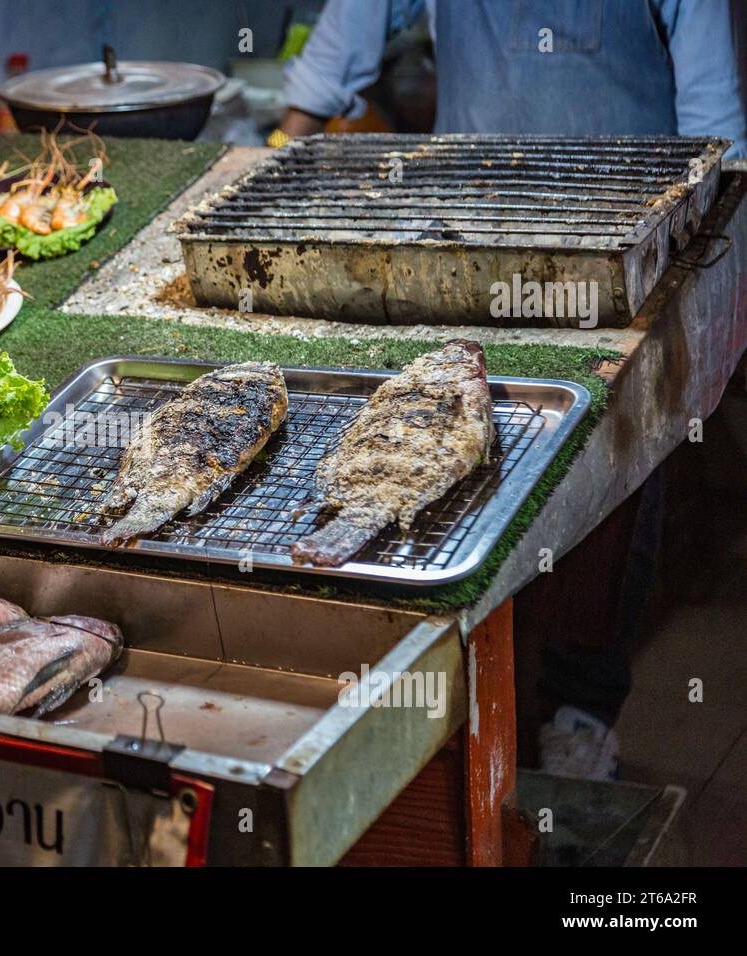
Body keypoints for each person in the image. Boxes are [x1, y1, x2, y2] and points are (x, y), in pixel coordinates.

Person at [277, 0, 744, 779]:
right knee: (462, 449)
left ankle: (579, 711)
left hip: (624, 255)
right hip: (464, 232)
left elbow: (715, 121)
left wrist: (695, 279)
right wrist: (286, 137)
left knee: (616, 484)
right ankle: (462, 711)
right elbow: (353, 23)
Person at [279, 0, 745, 157]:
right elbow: (337, 49)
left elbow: (713, 109)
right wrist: (278, 149)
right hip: (467, 223)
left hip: (639, 226)